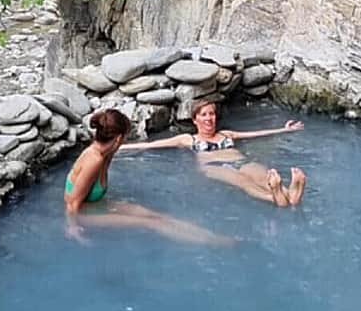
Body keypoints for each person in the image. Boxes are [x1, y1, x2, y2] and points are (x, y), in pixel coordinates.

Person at [64, 108, 231, 245]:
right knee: (150, 222)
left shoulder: (105, 152)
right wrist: (73, 229)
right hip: (81, 214)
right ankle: (214, 244)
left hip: (95, 205)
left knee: (157, 216)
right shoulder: (94, 159)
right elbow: (72, 203)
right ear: (119, 138)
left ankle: (213, 237)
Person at [120, 100, 307, 207]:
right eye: (204, 115)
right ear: (195, 120)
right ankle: (274, 197)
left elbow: (256, 134)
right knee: (244, 182)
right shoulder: (188, 139)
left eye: (212, 114)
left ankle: (289, 194)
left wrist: (285, 130)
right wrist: (118, 147)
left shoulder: (226, 134)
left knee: (263, 175)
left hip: (240, 161)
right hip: (213, 167)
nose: (209, 118)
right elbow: (153, 145)